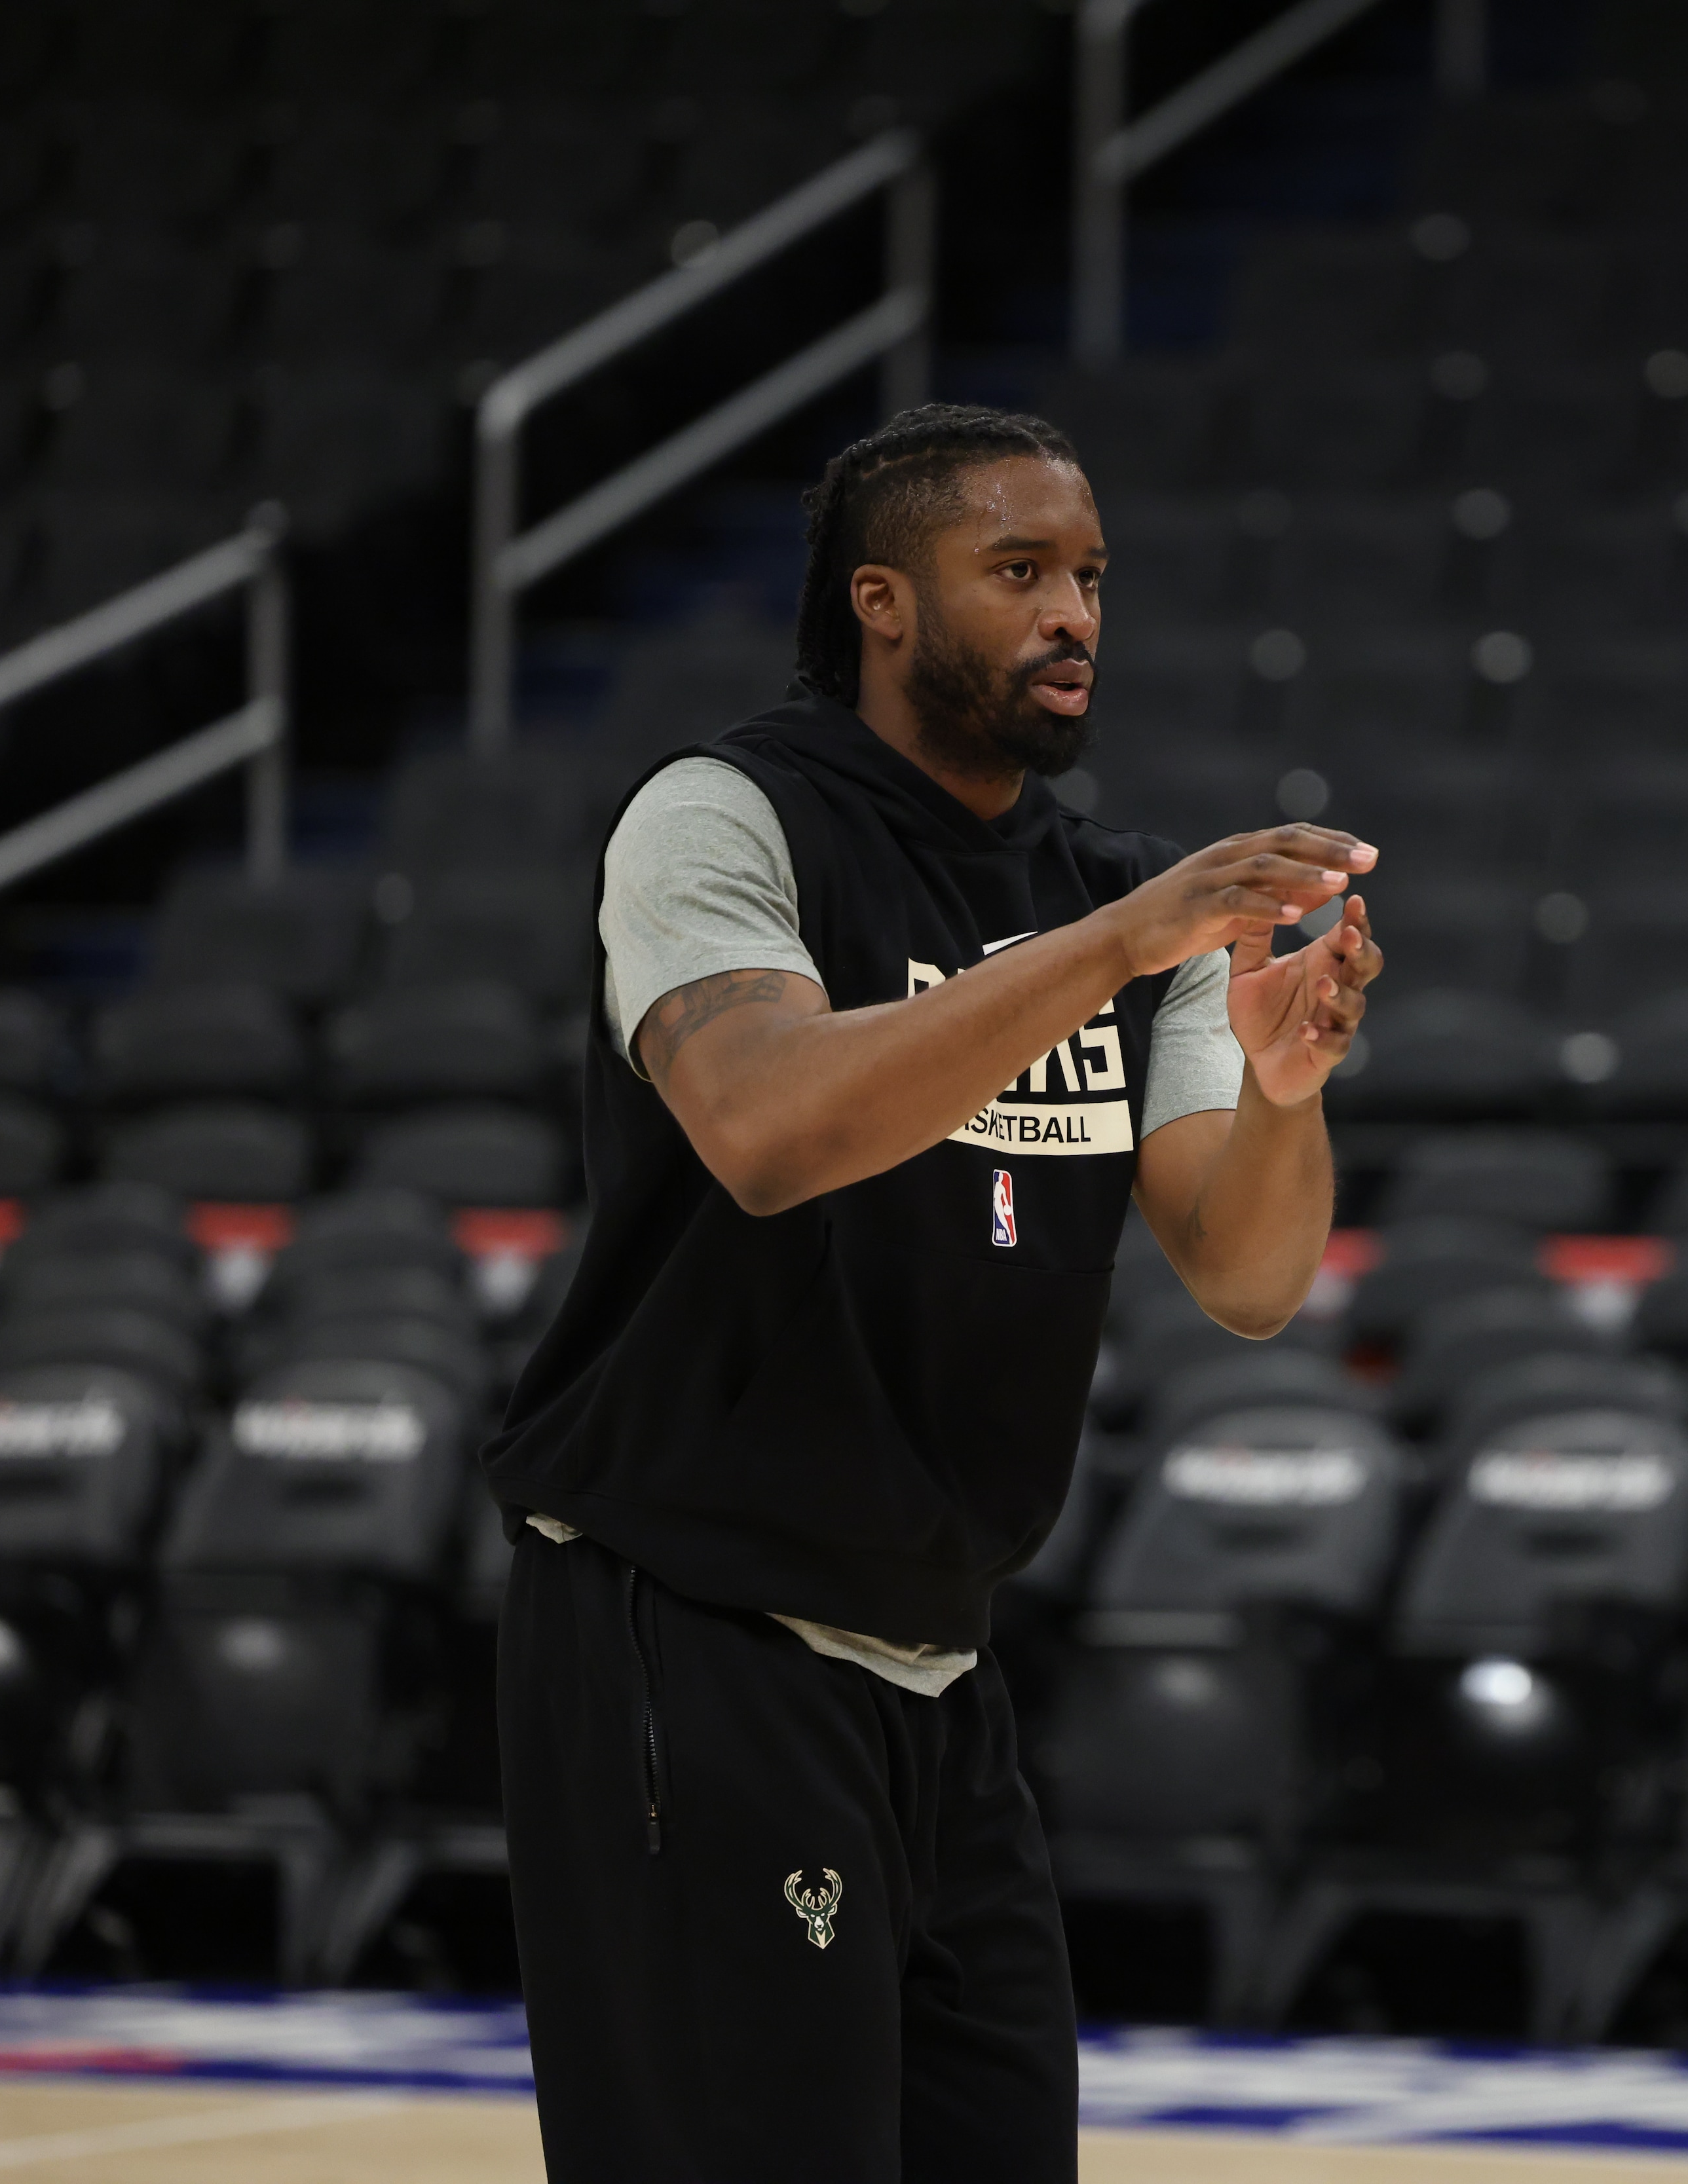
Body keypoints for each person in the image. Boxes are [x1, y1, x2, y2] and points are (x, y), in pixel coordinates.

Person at [481, 403, 1381, 2181]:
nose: (1075, 615)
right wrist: (1112, 955)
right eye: (1021, 571)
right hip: (695, 1632)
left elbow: (1252, 1273)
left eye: (1093, 578)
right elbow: (761, 1125)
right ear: (883, 601)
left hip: (940, 1671)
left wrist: (1285, 1097)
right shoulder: (726, 816)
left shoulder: (1126, 905)